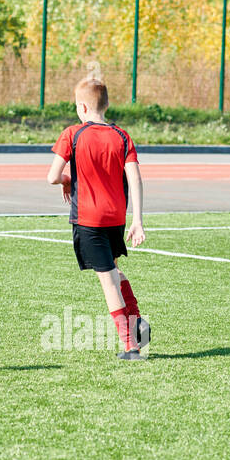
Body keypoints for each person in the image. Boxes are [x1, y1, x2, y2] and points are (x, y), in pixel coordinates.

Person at [46, 77, 150, 360]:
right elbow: (136, 178)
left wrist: (68, 179)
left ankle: (131, 344)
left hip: (88, 220)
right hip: (115, 218)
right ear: (106, 105)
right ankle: (138, 321)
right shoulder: (121, 135)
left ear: (81, 107)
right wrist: (137, 220)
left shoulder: (73, 134)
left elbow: (52, 177)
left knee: (108, 281)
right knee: (113, 270)